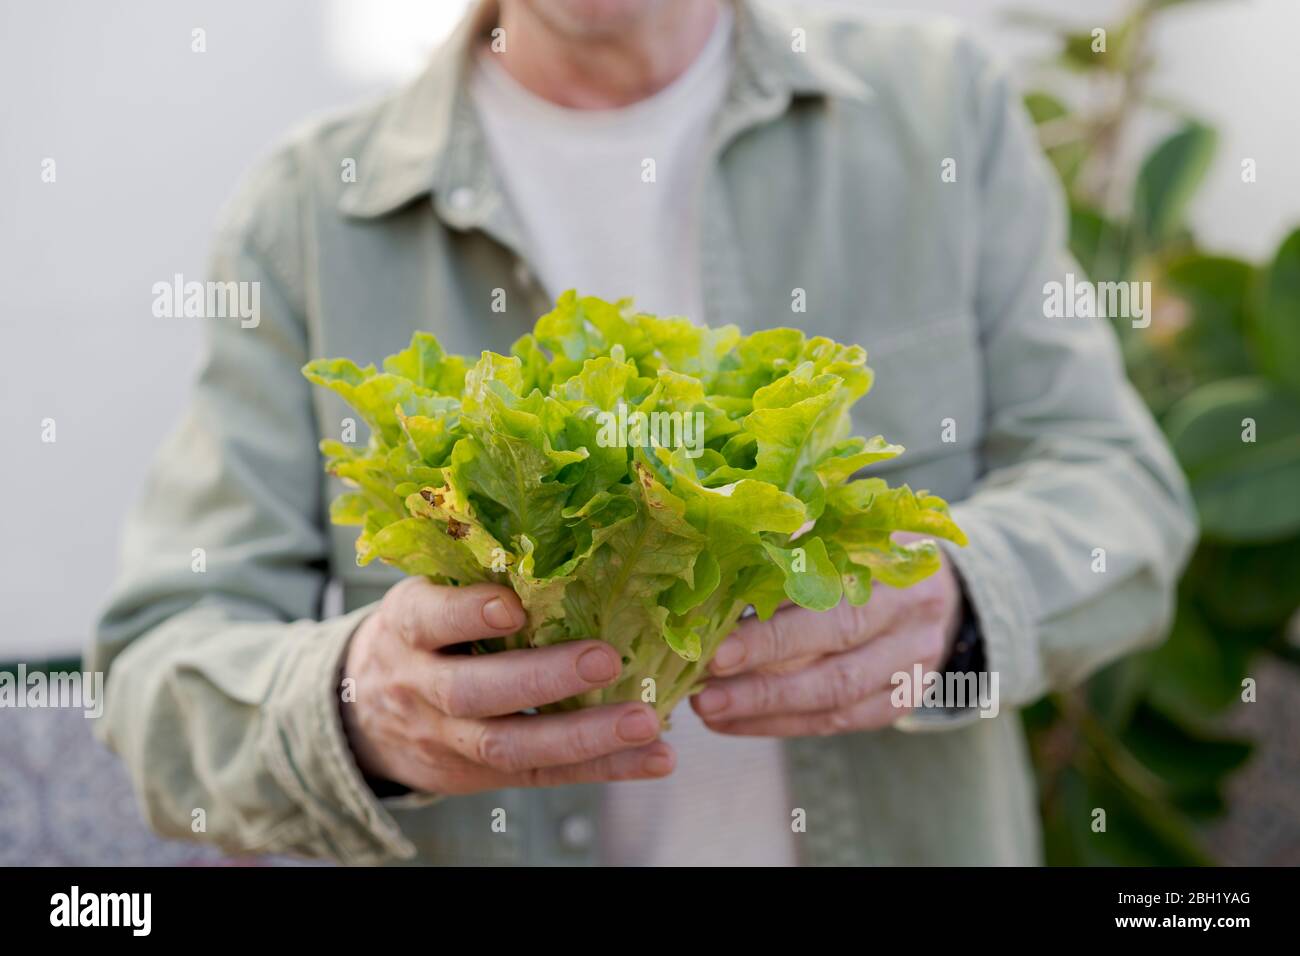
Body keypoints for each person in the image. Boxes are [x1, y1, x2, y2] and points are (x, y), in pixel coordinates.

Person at [91, 0, 1197, 865]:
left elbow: (1122, 491)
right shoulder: (309, 215)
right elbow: (156, 672)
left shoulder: (938, 110)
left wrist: (957, 603)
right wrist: (356, 703)